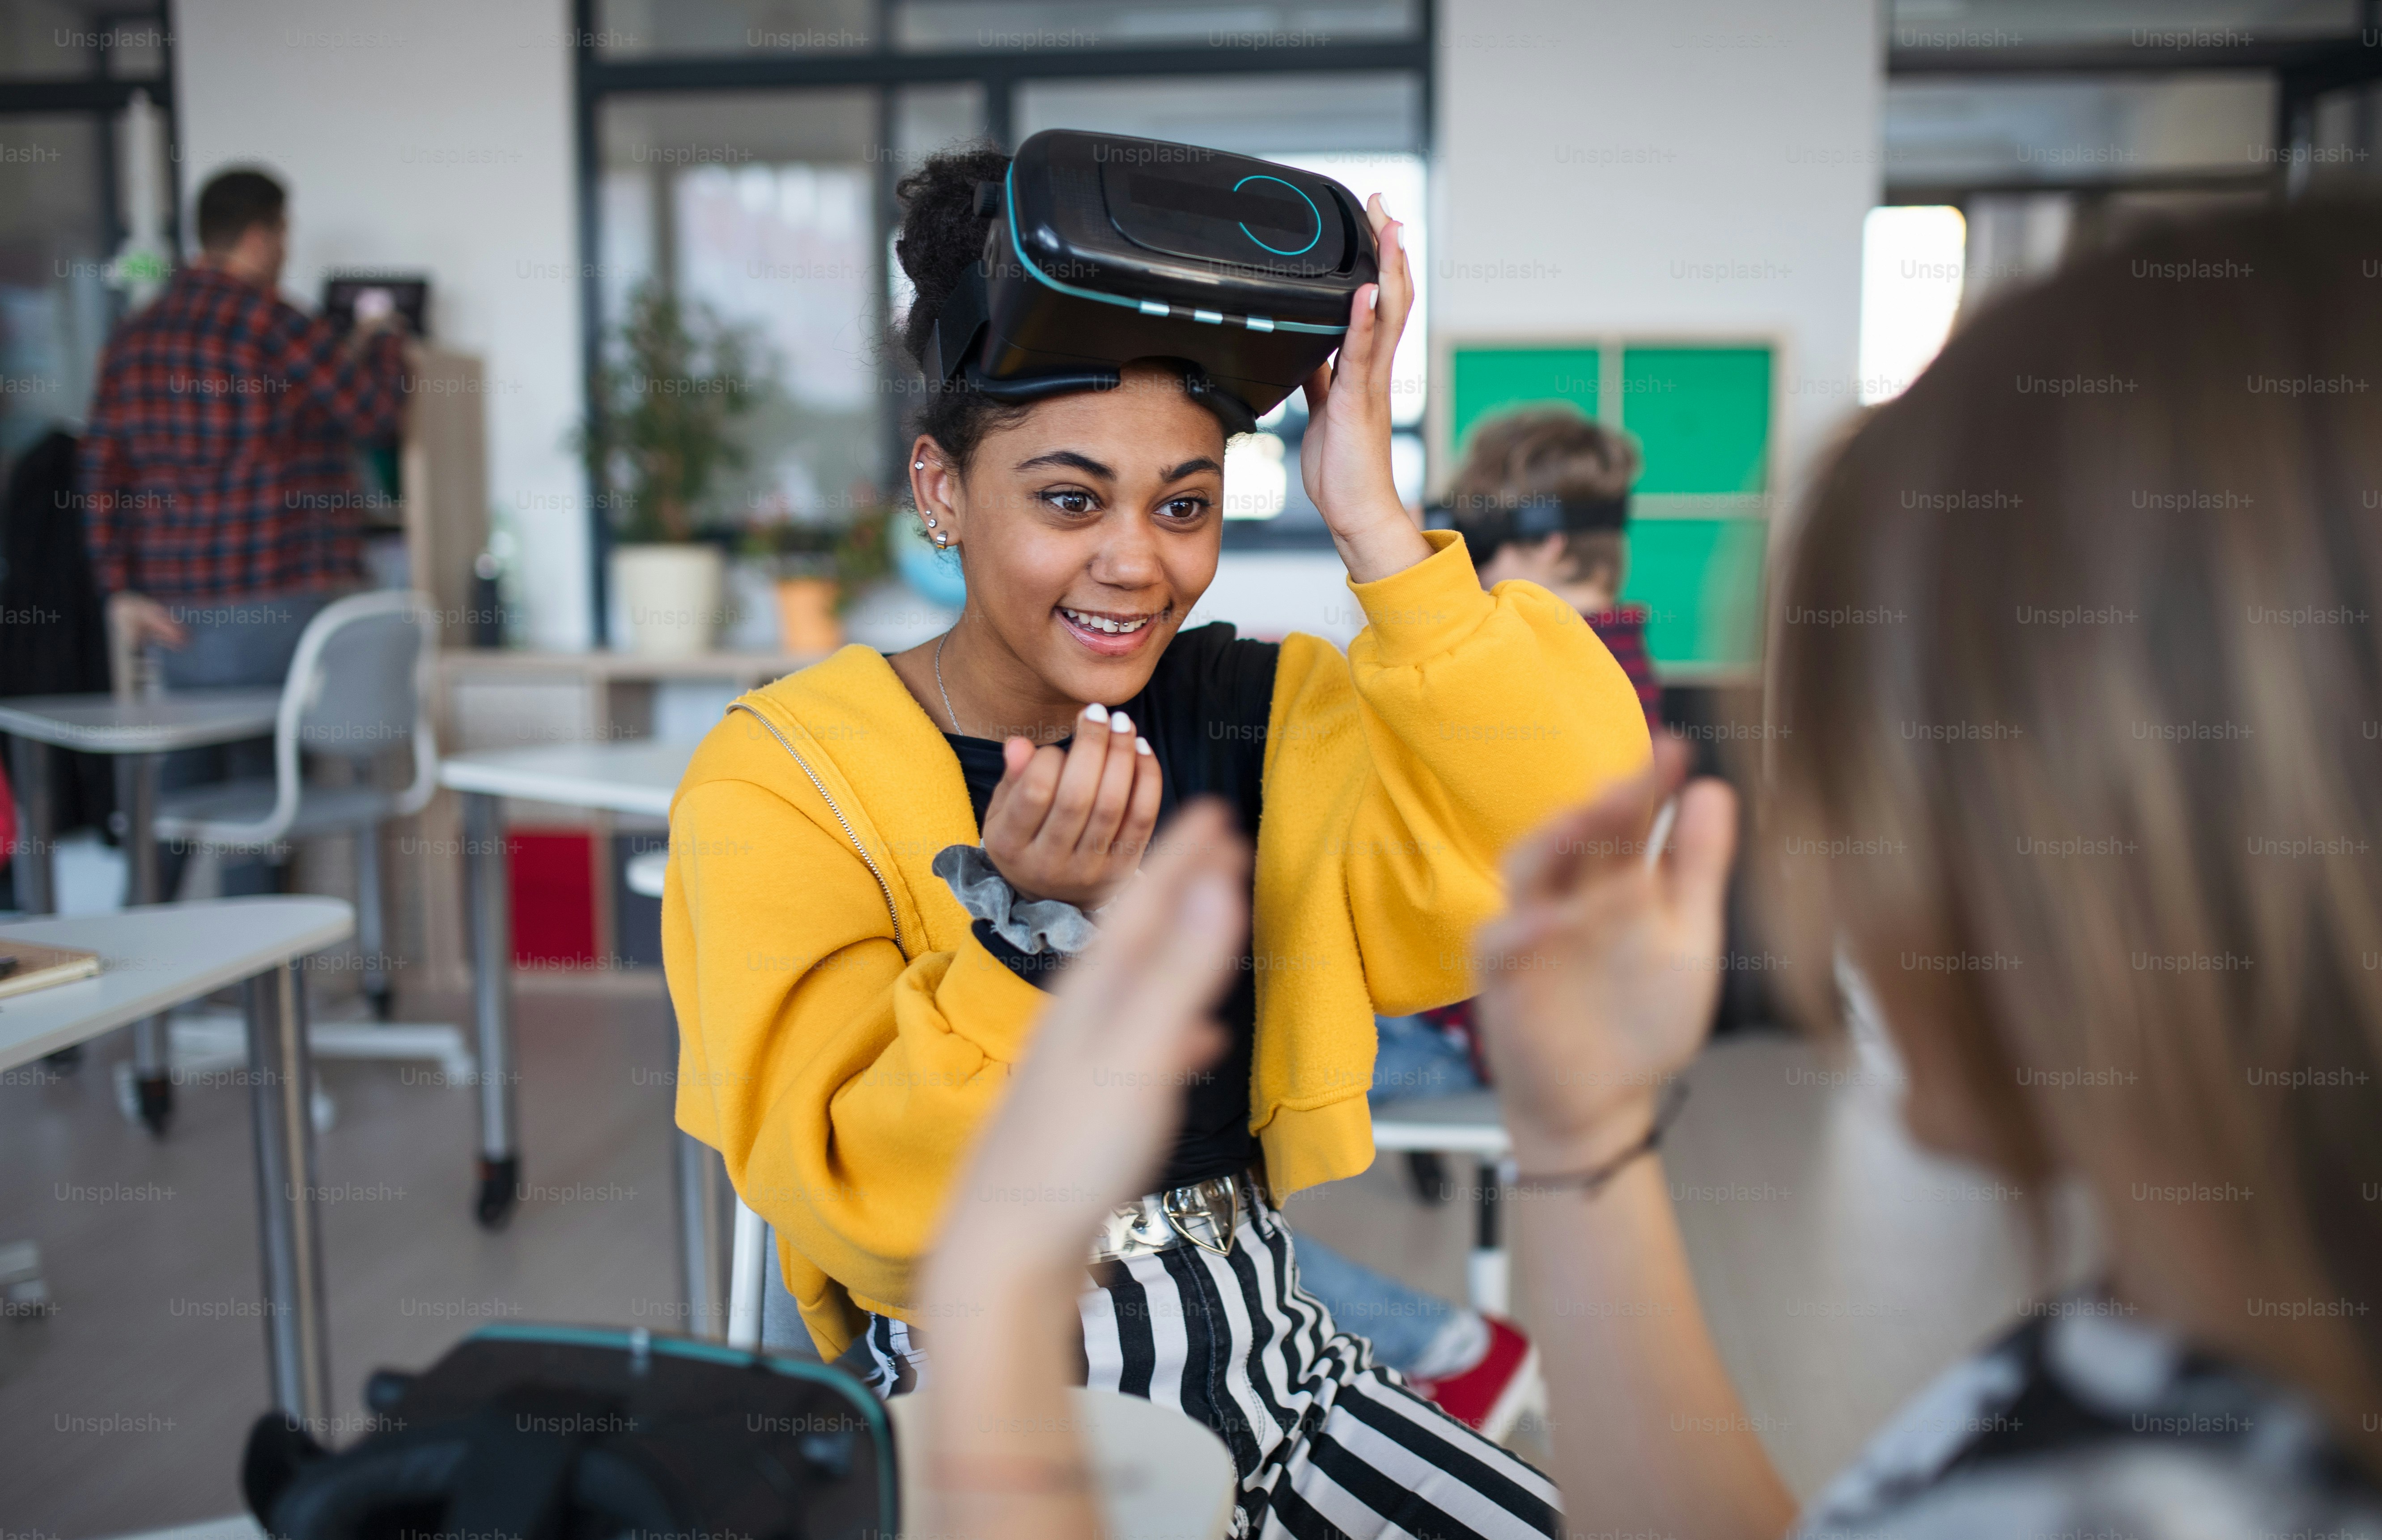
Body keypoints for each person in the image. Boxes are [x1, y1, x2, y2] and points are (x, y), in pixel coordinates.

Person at [909, 199, 2382, 1540]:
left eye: (1892, 788)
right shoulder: (2184, 1355)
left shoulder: (2171, 1487)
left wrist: (988, 1312)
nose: (1835, 894)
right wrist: (1587, 1134)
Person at [663, 142, 1651, 1540]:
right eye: (1070, 500)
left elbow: (1576, 824)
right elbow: (867, 1207)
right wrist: (1026, 938)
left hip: (1282, 1374)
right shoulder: (785, 775)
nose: (1137, 562)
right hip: (981, 1420)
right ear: (938, 490)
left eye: (1182, 504)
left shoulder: (1261, 715)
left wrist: (1373, 515)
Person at [1291, 405, 1663, 1434]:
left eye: (1473, 554)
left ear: (1542, 545)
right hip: (1497, 1018)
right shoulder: (1617, 674)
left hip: (1481, 1035)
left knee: (1181, 1138)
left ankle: (1443, 1343)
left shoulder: (1550, 694)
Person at [80, 166, 406, 721]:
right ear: (259, 238)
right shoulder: (275, 324)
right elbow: (373, 413)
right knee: (270, 770)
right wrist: (384, 341)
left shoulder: (133, 336)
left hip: (173, 610)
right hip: (275, 594)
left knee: (189, 767)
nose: (286, 250)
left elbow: (101, 471)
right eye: (284, 234)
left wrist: (118, 590)